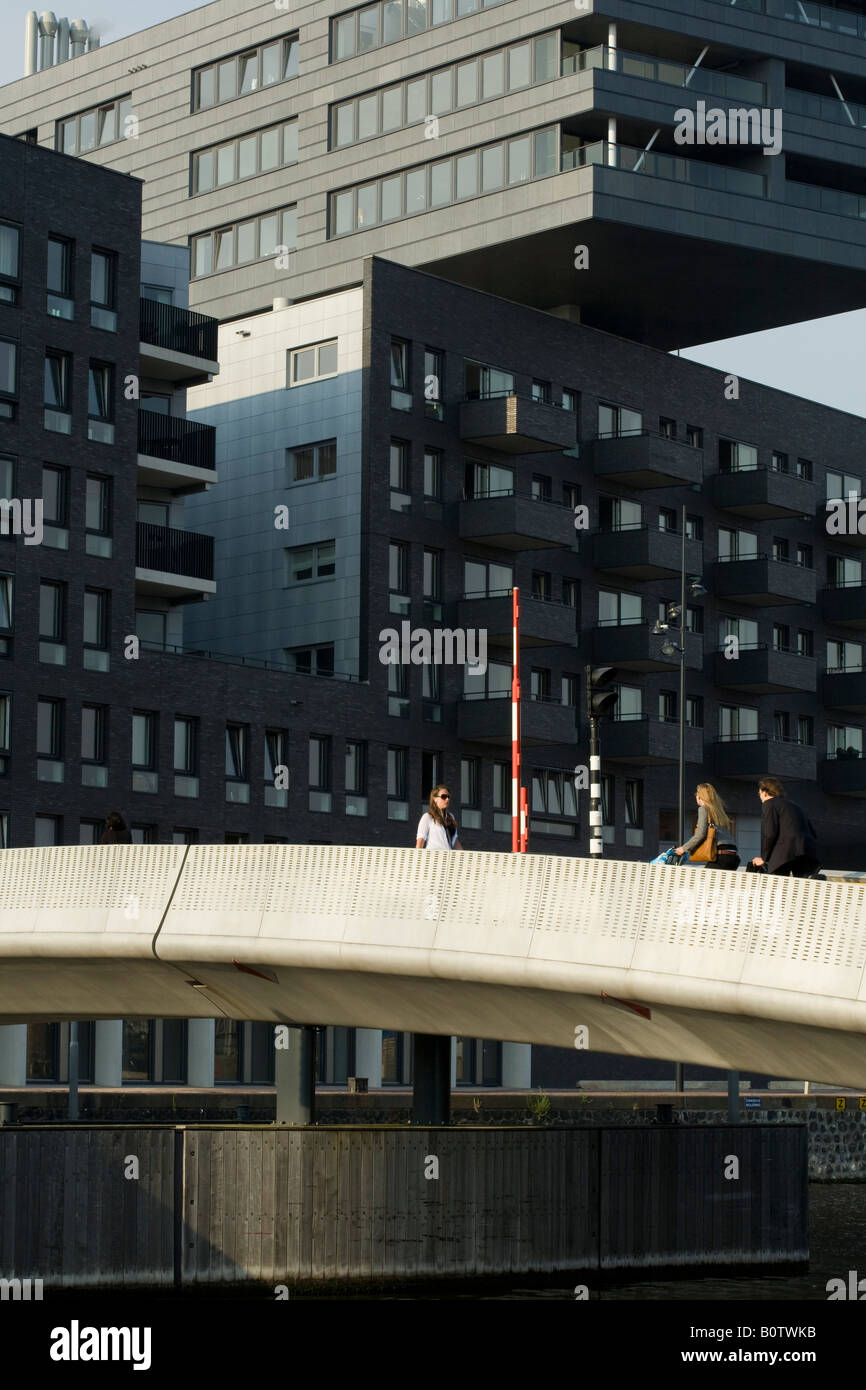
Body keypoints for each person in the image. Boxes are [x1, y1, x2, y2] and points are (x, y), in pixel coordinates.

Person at [751, 778, 819, 876]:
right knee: (800, 887)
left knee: (776, 885)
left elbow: (770, 833)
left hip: (784, 854)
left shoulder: (769, 804)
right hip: (806, 852)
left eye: (759, 794)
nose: (760, 797)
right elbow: (813, 832)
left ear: (764, 792)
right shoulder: (795, 806)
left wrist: (764, 858)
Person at [675, 783, 740, 869]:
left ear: (699, 796)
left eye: (696, 794)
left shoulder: (703, 809)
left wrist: (684, 848)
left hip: (720, 855)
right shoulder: (719, 811)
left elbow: (700, 834)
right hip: (733, 855)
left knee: (704, 881)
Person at [416, 785, 462, 851]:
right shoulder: (427, 817)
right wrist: (418, 860)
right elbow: (420, 842)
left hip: (448, 857)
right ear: (435, 799)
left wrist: (465, 857)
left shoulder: (450, 817)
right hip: (433, 858)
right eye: (444, 796)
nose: (447, 799)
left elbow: (455, 841)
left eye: (448, 797)